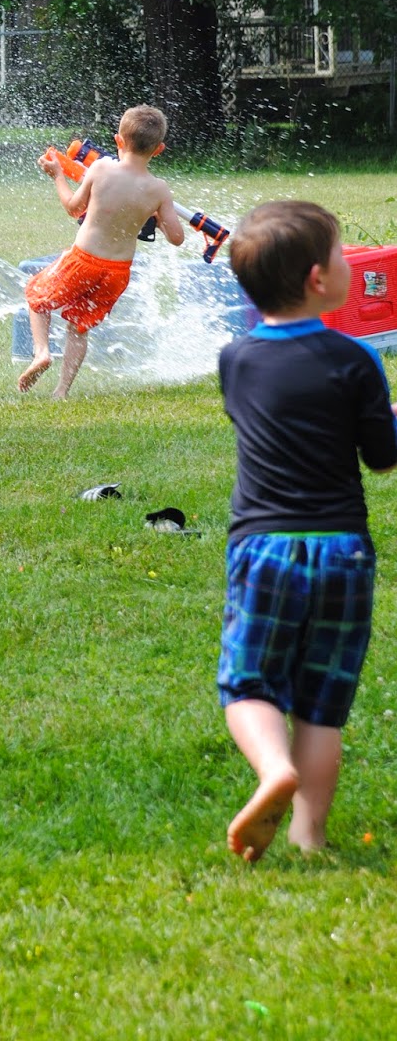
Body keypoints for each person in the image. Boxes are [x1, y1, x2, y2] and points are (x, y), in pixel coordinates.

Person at [218, 200, 397, 863]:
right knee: (322, 705)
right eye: (343, 253)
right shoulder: (356, 361)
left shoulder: (235, 360)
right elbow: (381, 456)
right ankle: (308, 836)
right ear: (319, 280)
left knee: (248, 685)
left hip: (263, 546)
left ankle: (273, 768)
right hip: (343, 552)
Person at [17, 104, 184, 399]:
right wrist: (157, 217)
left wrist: (57, 175)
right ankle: (61, 391)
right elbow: (177, 238)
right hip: (117, 273)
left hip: (83, 260)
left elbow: (74, 209)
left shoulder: (101, 168)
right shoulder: (159, 189)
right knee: (79, 327)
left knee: (37, 297)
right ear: (159, 149)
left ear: (118, 140)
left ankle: (42, 353)